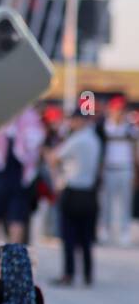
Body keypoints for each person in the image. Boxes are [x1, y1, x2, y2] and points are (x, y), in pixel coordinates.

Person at [48, 106, 103, 286]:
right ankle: (88, 274)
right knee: (86, 237)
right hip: (89, 192)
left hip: (72, 192)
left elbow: (55, 157)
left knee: (69, 236)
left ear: (79, 121)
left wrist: (57, 178)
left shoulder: (76, 140)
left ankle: (69, 274)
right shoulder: (94, 139)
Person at [0, 107, 44, 249]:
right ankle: (11, 260)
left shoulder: (0, 115)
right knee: (14, 221)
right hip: (18, 176)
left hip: (2, 175)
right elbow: (36, 148)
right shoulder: (30, 118)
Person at [101, 96, 137, 246]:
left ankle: (124, 232)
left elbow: (135, 151)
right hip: (109, 169)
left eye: (121, 110)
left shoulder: (130, 129)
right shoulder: (103, 128)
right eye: (116, 110)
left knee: (125, 203)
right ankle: (106, 231)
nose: (118, 113)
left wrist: (135, 171)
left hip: (125, 169)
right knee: (106, 203)